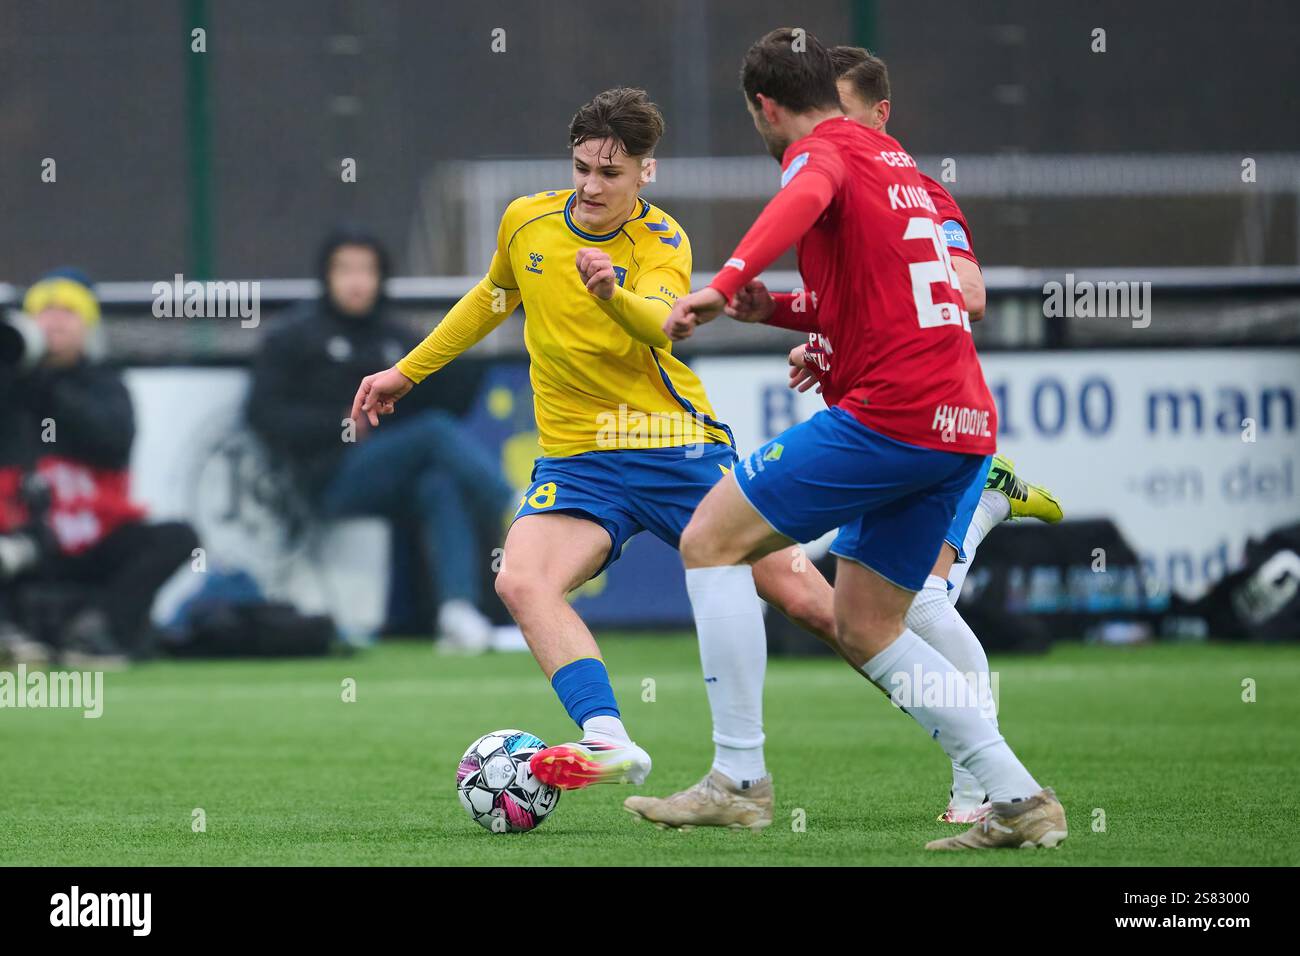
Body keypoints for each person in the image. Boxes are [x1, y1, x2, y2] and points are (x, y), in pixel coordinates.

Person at [633, 30, 1066, 850]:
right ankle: (1016, 800)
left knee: (709, 540)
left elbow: (800, 199)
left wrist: (723, 285)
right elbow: (885, 294)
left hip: (892, 415)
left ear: (767, 106)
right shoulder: (898, 165)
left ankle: (739, 778)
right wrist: (780, 309)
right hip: (960, 422)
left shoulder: (821, 152)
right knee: (867, 623)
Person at [350, 88, 838, 791]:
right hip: (579, 463)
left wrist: (613, 293)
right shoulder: (528, 223)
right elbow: (490, 299)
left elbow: (666, 326)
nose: (591, 184)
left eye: (611, 172)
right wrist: (406, 372)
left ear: (647, 173)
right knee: (521, 579)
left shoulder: (662, 239)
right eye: (582, 166)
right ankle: (607, 736)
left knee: (810, 605)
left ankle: (977, 762)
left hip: (675, 449)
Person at [247, 227, 514, 652]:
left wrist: (470, 357)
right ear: (326, 276)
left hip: (391, 479)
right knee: (434, 434)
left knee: (440, 483)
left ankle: (457, 613)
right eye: (345, 270)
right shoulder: (294, 336)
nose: (356, 281)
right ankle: (511, 508)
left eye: (366, 270)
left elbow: (445, 399)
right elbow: (263, 415)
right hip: (323, 478)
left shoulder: (396, 337)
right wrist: (336, 422)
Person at [0, 269, 198, 665]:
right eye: (46, 311)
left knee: (177, 537)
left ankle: (99, 631)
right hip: (22, 540)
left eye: (68, 312)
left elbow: (110, 441)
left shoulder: (103, 384)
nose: (55, 321)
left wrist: (47, 384)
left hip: (91, 540)